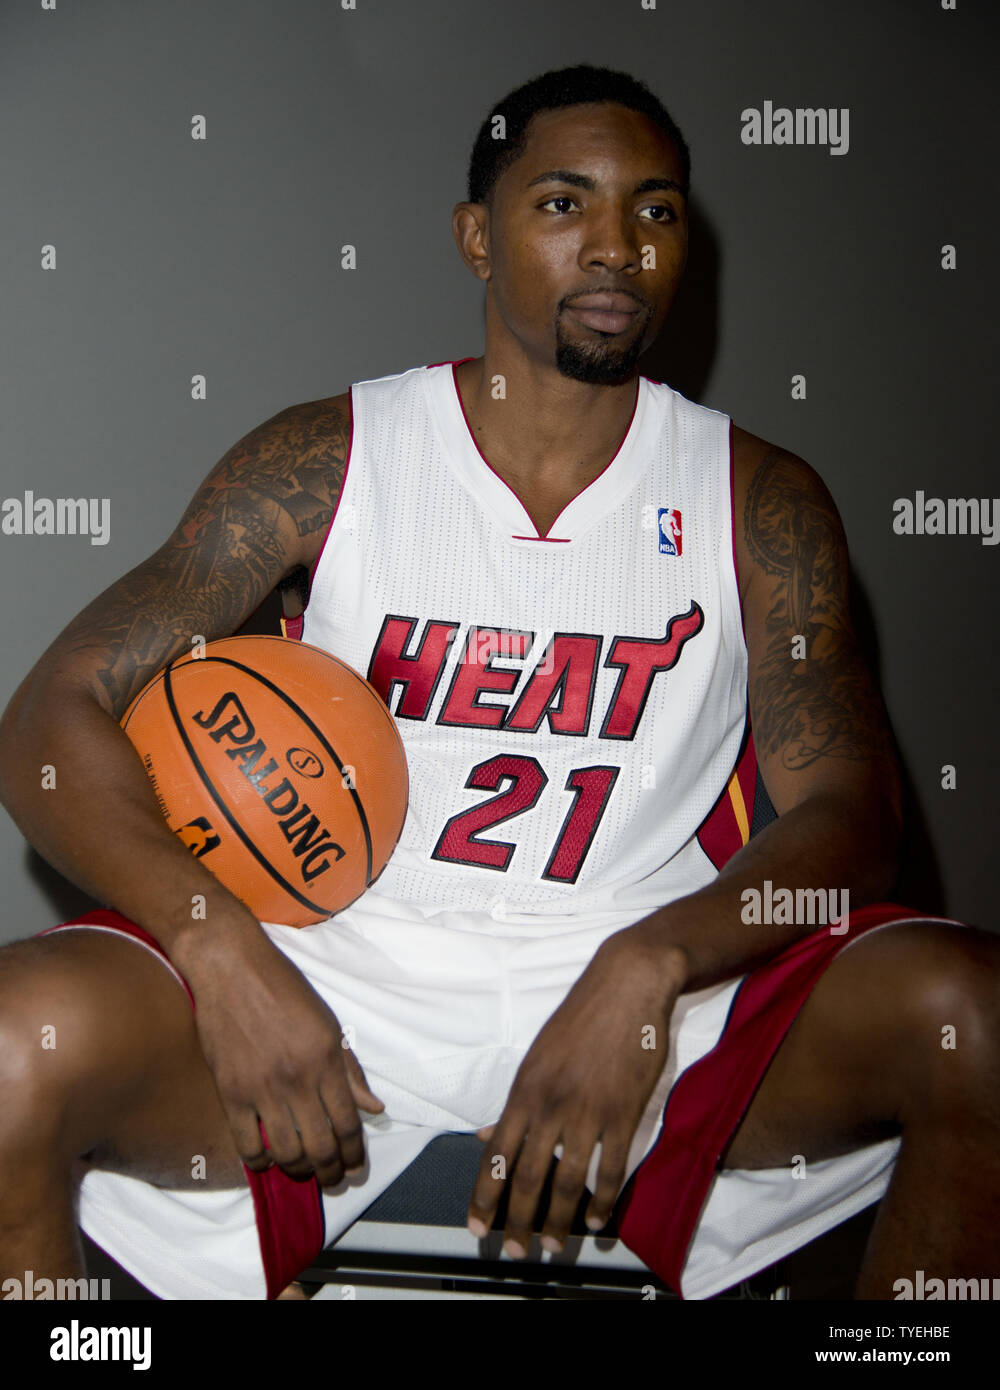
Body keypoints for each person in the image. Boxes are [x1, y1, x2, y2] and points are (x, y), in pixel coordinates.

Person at [1, 64, 998, 1302]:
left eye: (657, 210)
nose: (617, 248)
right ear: (477, 236)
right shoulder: (328, 457)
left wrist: (650, 965)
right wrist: (215, 943)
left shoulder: (760, 500)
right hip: (335, 970)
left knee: (975, 1020)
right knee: (10, 1052)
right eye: (563, 204)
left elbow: (853, 814)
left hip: (654, 985)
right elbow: (52, 715)